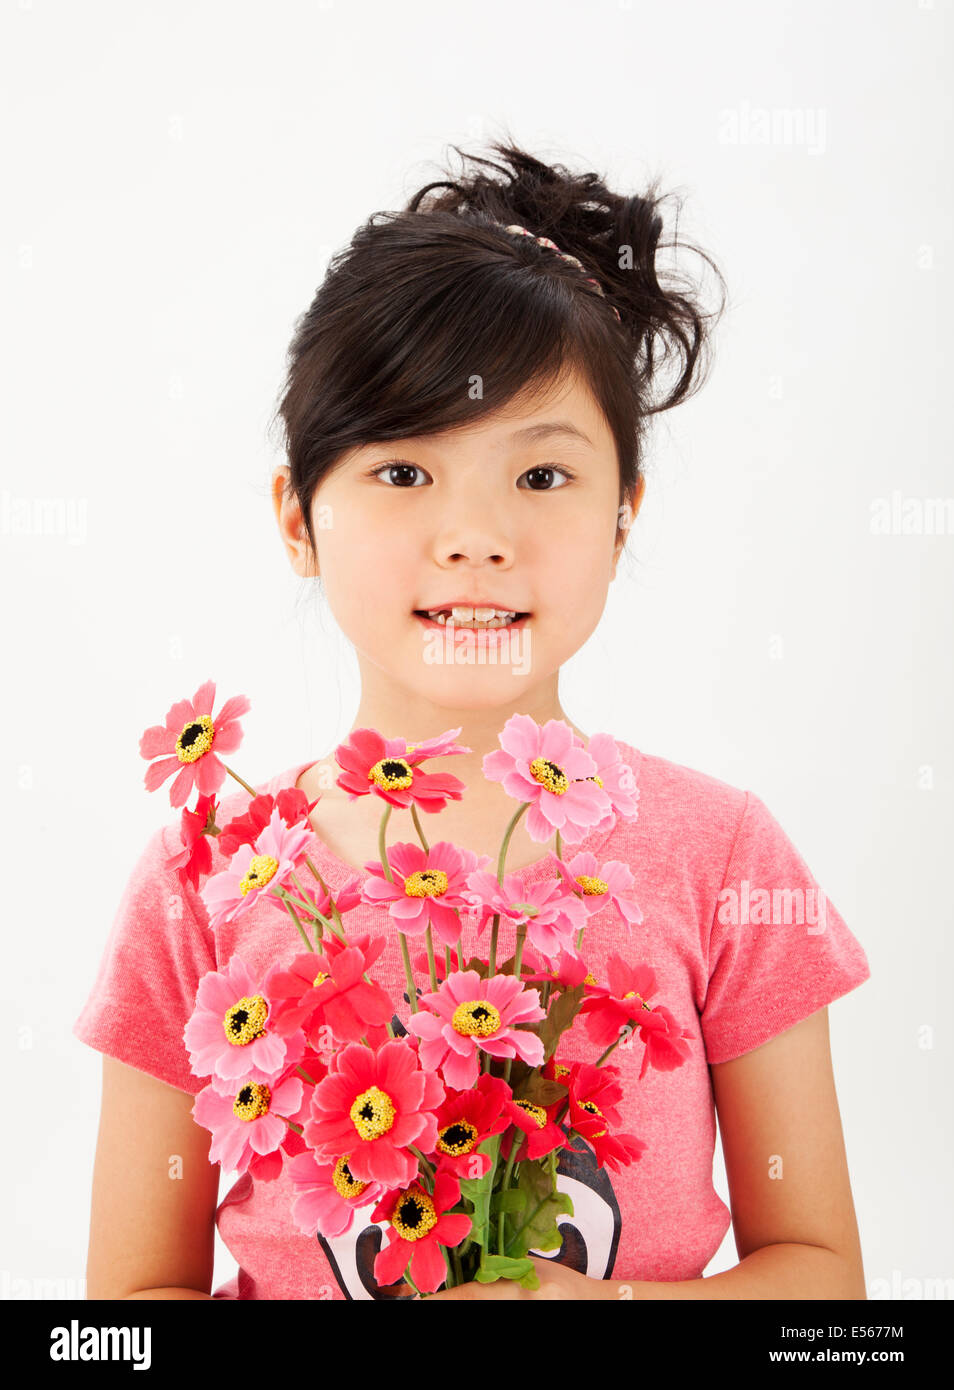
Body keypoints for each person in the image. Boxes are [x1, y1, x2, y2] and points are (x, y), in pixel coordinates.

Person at [74, 139, 870, 1300]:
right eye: (404, 474)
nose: (477, 536)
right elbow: (121, 1322)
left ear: (624, 513)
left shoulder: (723, 856)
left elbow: (831, 1298)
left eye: (541, 477)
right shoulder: (203, 882)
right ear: (298, 517)